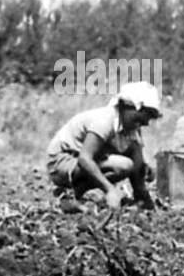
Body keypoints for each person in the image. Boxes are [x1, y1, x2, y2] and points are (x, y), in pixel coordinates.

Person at [46, 81, 162, 211]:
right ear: (127, 107)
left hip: (82, 161)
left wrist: (143, 168)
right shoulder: (105, 120)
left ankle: (141, 199)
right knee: (123, 165)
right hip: (62, 162)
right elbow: (84, 158)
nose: (146, 122)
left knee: (134, 152)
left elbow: (137, 158)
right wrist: (110, 190)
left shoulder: (131, 126)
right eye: (142, 116)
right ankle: (71, 194)